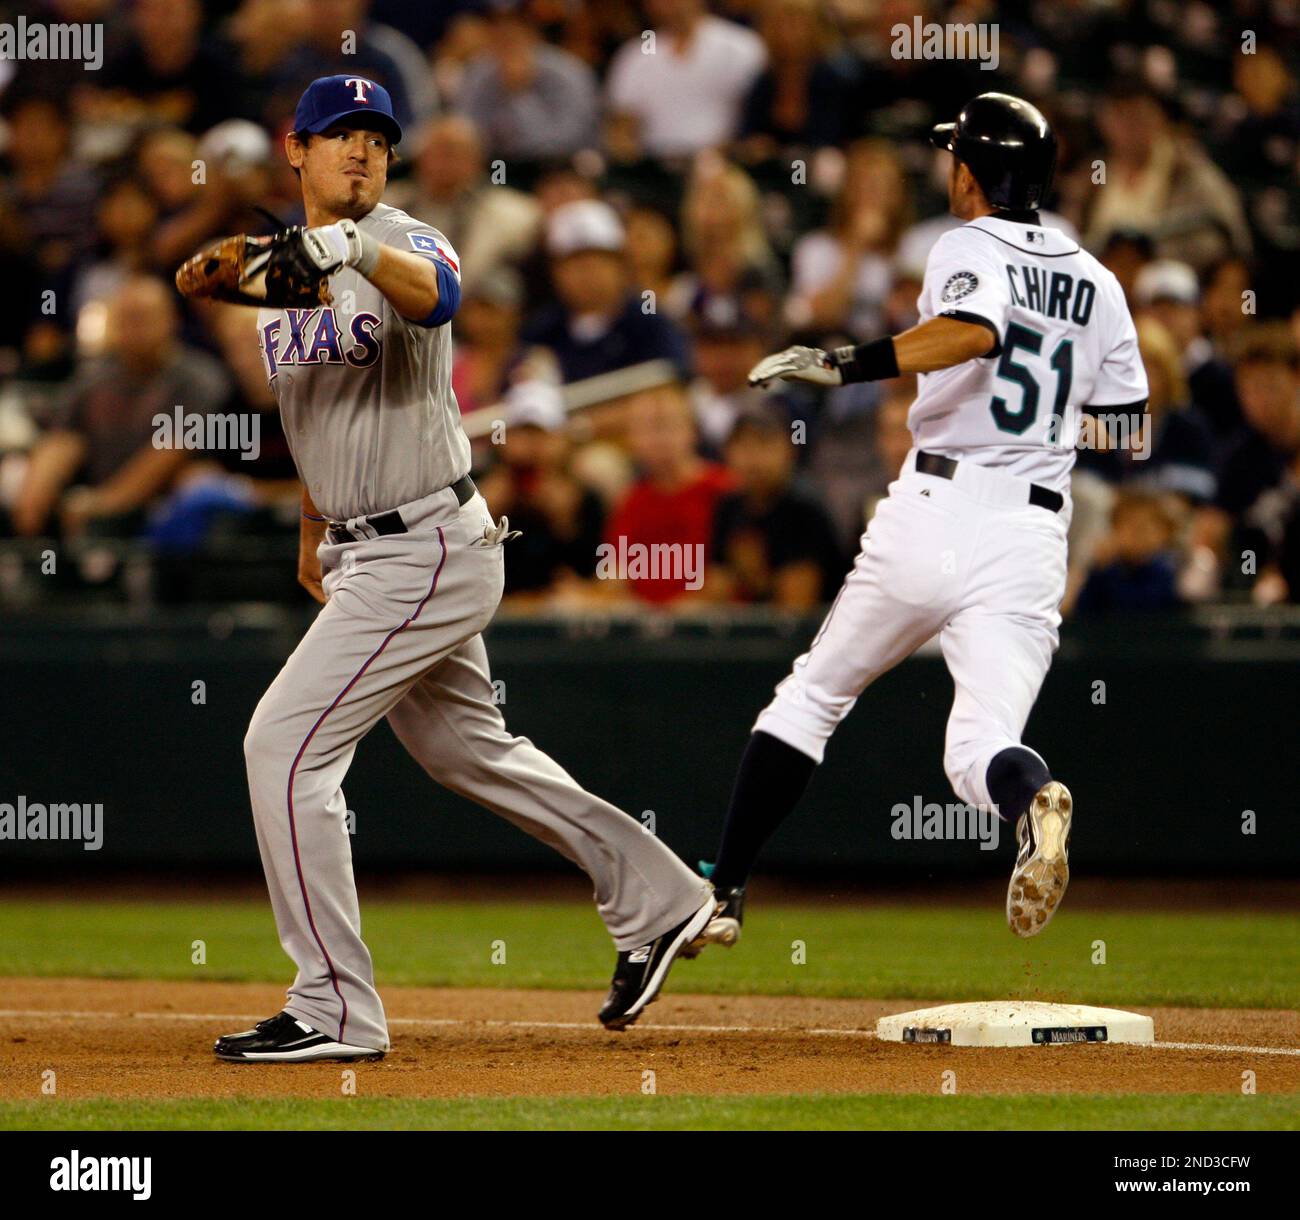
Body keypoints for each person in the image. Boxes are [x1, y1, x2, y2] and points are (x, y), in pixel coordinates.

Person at [204, 76, 714, 1063]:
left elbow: (439, 294)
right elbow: (315, 410)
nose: (359, 150)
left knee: (283, 747)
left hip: (427, 546)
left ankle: (335, 1009)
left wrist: (353, 244)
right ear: (294, 151)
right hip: (368, 546)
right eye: (337, 134)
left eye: (375, 138)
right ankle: (661, 899)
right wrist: (312, 526)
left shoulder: (405, 236)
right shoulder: (279, 278)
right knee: (471, 751)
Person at [689, 94, 1148, 953]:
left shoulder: (965, 243)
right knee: (981, 745)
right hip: (1034, 533)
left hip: (940, 502)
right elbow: (1130, 426)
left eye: (953, 157)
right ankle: (1032, 802)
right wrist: (1044, 431)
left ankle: (725, 888)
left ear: (969, 174)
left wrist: (844, 363)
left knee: (814, 696)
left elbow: (972, 332)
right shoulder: (1101, 281)